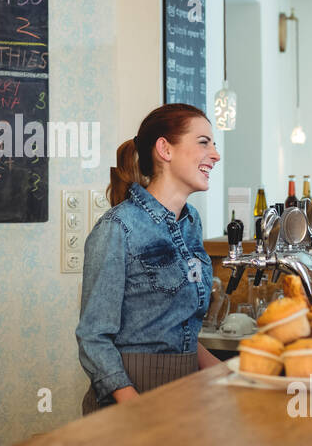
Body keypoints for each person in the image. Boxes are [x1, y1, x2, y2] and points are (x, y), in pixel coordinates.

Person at [76, 103, 222, 415]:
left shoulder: (191, 223)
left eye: (214, 144)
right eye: (203, 142)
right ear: (164, 149)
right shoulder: (118, 227)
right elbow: (93, 337)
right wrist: (137, 410)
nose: (215, 154)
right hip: (129, 400)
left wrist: (230, 375)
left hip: (183, 393)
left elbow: (178, 330)